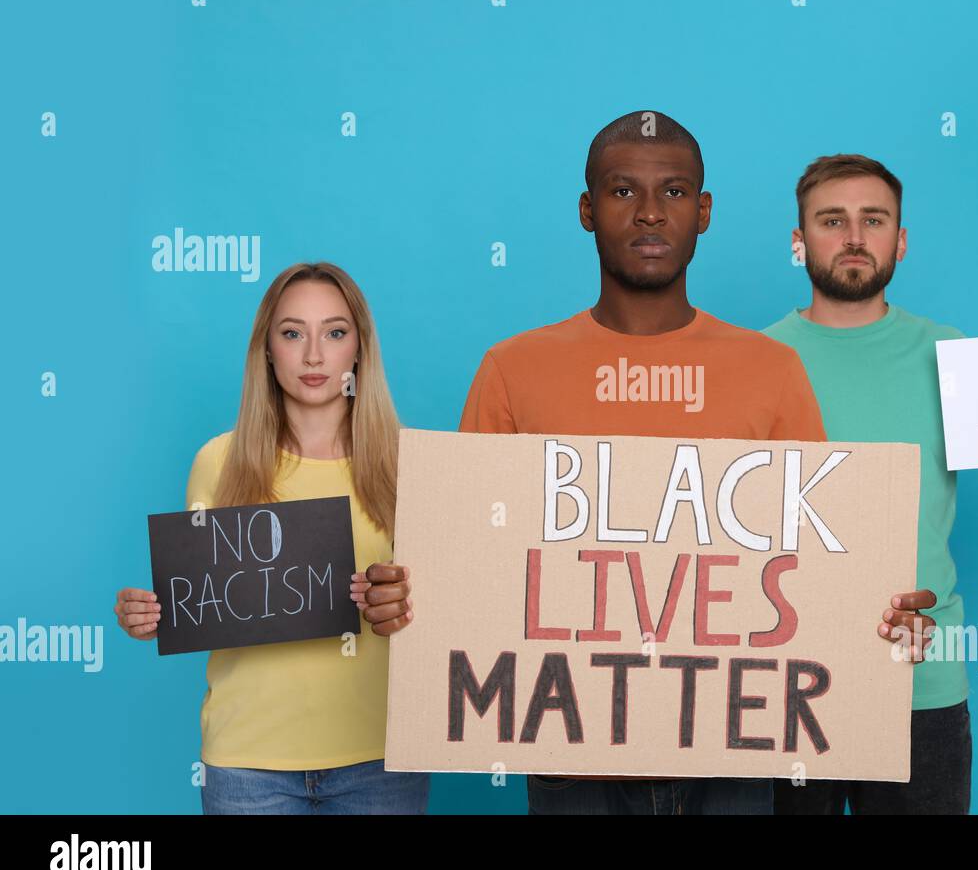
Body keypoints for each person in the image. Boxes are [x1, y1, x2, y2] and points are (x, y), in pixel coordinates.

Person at [355, 110, 856, 814]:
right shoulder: (512, 369)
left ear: (704, 211)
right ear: (588, 210)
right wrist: (409, 596)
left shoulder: (773, 371)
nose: (650, 213)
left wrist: (879, 616)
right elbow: (465, 555)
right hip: (570, 746)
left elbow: (817, 558)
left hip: (731, 749)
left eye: (675, 192)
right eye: (624, 192)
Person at [762, 154, 978, 814]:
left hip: (919, 686)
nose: (854, 236)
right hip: (783, 688)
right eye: (831, 220)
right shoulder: (753, 364)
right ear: (799, 242)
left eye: (873, 220)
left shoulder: (953, 359)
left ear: (899, 241)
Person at [113, 261, 429, 814]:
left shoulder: (411, 467)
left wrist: (403, 604)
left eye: (334, 333)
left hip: (381, 758)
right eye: (292, 333)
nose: (313, 355)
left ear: (359, 349)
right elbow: (201, 598)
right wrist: (150, 613)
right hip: (247, 765)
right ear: (267, 349)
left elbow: (452, 621)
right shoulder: (218, 462)